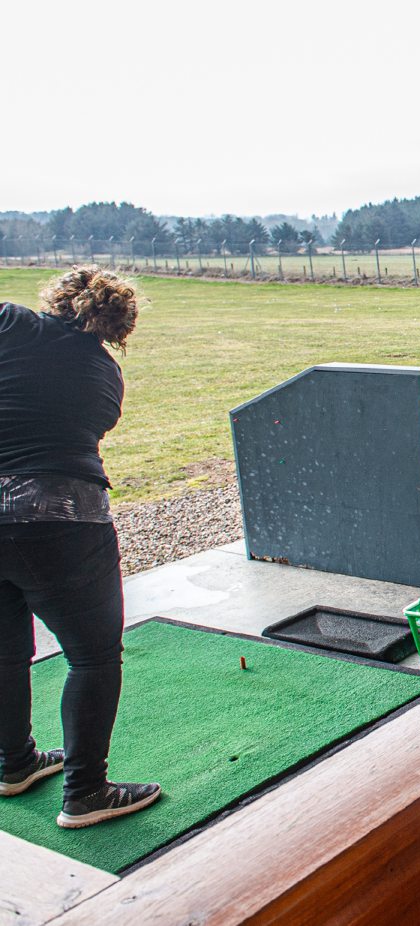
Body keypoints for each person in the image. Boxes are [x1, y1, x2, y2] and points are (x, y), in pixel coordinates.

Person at [0, 267, 162, 828]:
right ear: (119, 326)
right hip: (64, 521)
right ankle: (86, 792)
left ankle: (14, 764)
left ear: (58, 298)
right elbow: (92, 427)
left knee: (3, 650)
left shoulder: (9, 324)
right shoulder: (104, 374)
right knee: (93, 657)